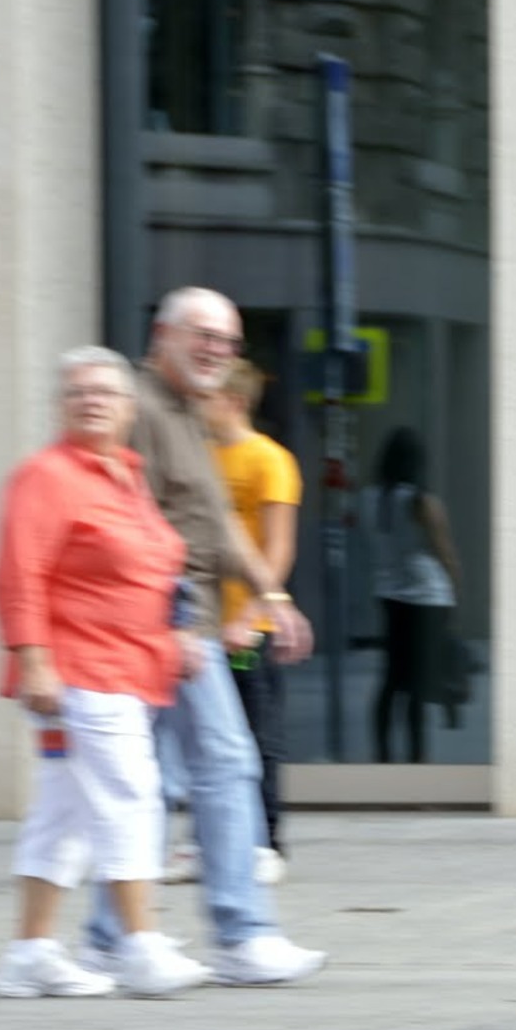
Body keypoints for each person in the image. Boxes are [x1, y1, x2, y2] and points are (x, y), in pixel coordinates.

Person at [80, 287, 326, 985]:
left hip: (183, 611)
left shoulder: (189, 413)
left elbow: (219, 527)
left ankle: (108, 938)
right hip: (163, 611)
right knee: (223, 764)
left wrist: (273, 596)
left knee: (146, 782)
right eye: (204, 335)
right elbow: (133, 519)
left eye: (229, 340)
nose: (219, 349)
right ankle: (239, 932)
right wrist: (176, 620)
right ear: (163, 336)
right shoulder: (140, 406)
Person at [0, 348, 210, 998]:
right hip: (82, 671)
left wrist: (175, 633)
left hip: (125, 667)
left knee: (64, 815)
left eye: (106, 392)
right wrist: (32, 659)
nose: (92, 400)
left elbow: (153, 566)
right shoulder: (47, 476)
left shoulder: (125, 473)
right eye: (78, 392)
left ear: (128, 408)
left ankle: (29, 952)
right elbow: (17, 573)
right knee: (131, 798)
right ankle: (140, 945)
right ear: (60, 405)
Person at [205, 357, 302, 884]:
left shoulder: (270, 461)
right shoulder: (195, 458)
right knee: (205, 742)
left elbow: (278, 548)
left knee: (257, 736)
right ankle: (209, 842)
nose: (200, 407)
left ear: (235, 402)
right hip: (198, 627)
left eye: (210, 397)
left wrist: (250, 613)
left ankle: (266, 841)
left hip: (249, 629)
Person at [367, 427, 460, 763]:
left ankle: (383, 754)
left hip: (390, 595)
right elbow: (445, 551)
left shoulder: (372, 499)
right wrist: (457, 585)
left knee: (391, 680)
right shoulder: (422, 501)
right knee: (418, 683)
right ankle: (417, 760)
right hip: (428, 597)